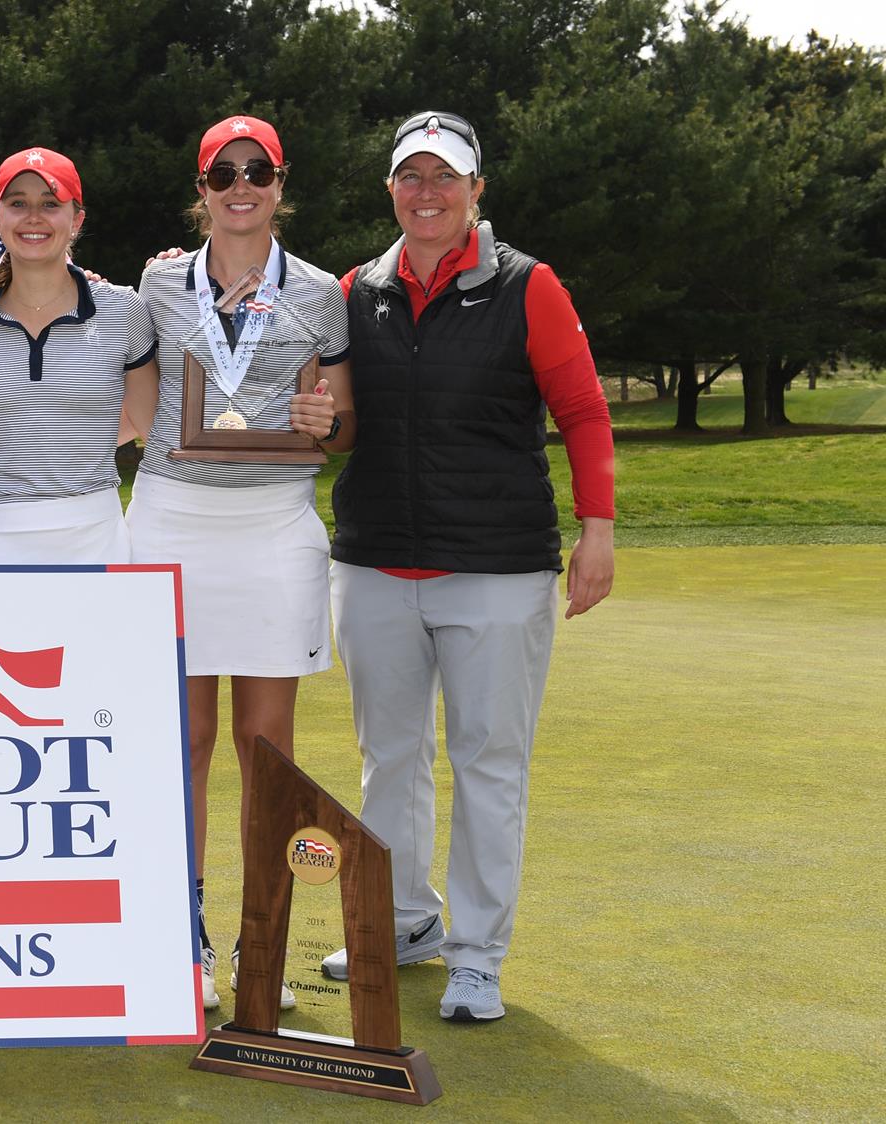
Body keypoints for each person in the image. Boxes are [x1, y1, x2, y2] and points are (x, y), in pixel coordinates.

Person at [324, 110, 615, 1022]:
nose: (427, 191)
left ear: (476, 191)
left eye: (444, 176)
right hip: (375, 564)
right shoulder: (354, 290)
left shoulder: (528, 285)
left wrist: (597, 526)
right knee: (389, 759)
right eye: (411, 175)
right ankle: (404, 922)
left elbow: (583, 410)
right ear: (391, 191)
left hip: (496, 570)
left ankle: (478, 956)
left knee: (489, 762)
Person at [123, 115, 354, 1011]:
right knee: (182, 745)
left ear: (280, 183)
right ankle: (185, 941)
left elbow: (347, 423)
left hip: (271, 526)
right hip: (172, 520)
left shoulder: (322, 295)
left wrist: (324, 424)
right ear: (204, 187)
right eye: (225, 172)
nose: (241, 185)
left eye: (258, 170)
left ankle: (265, 943)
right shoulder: (156, 282)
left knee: (269, 753)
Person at [0, 147, 157, 564]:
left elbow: (150, 422)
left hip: (95, 531)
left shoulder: (124, 308)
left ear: (76, 219)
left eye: (50, 203)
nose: (34, 217)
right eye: (18, 204)